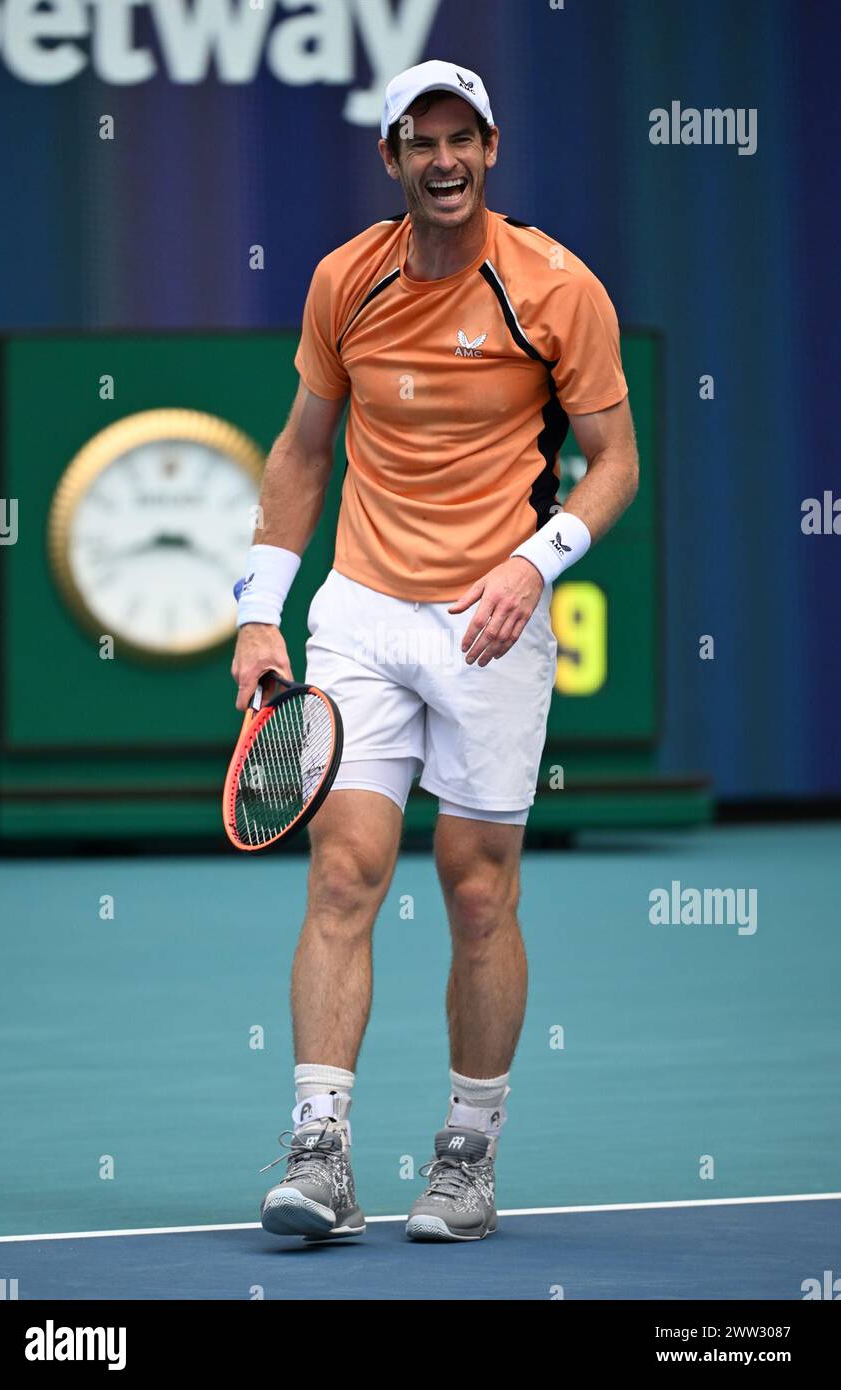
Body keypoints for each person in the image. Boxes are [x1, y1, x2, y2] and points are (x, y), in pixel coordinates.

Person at [233, 59, 638, 1242]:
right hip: (357, 609)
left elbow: (614, 462)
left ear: (491, 150)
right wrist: (261, 607)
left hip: (488, 622)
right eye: (423, 142)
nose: (445, 161)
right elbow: (304, 448)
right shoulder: (342, 282)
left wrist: (533, 563)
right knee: (344, 870)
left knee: (474, 892)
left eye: (464, 139)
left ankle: (465, 1156)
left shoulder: (557, 288)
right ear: (392, 159)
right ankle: (320, 1154)